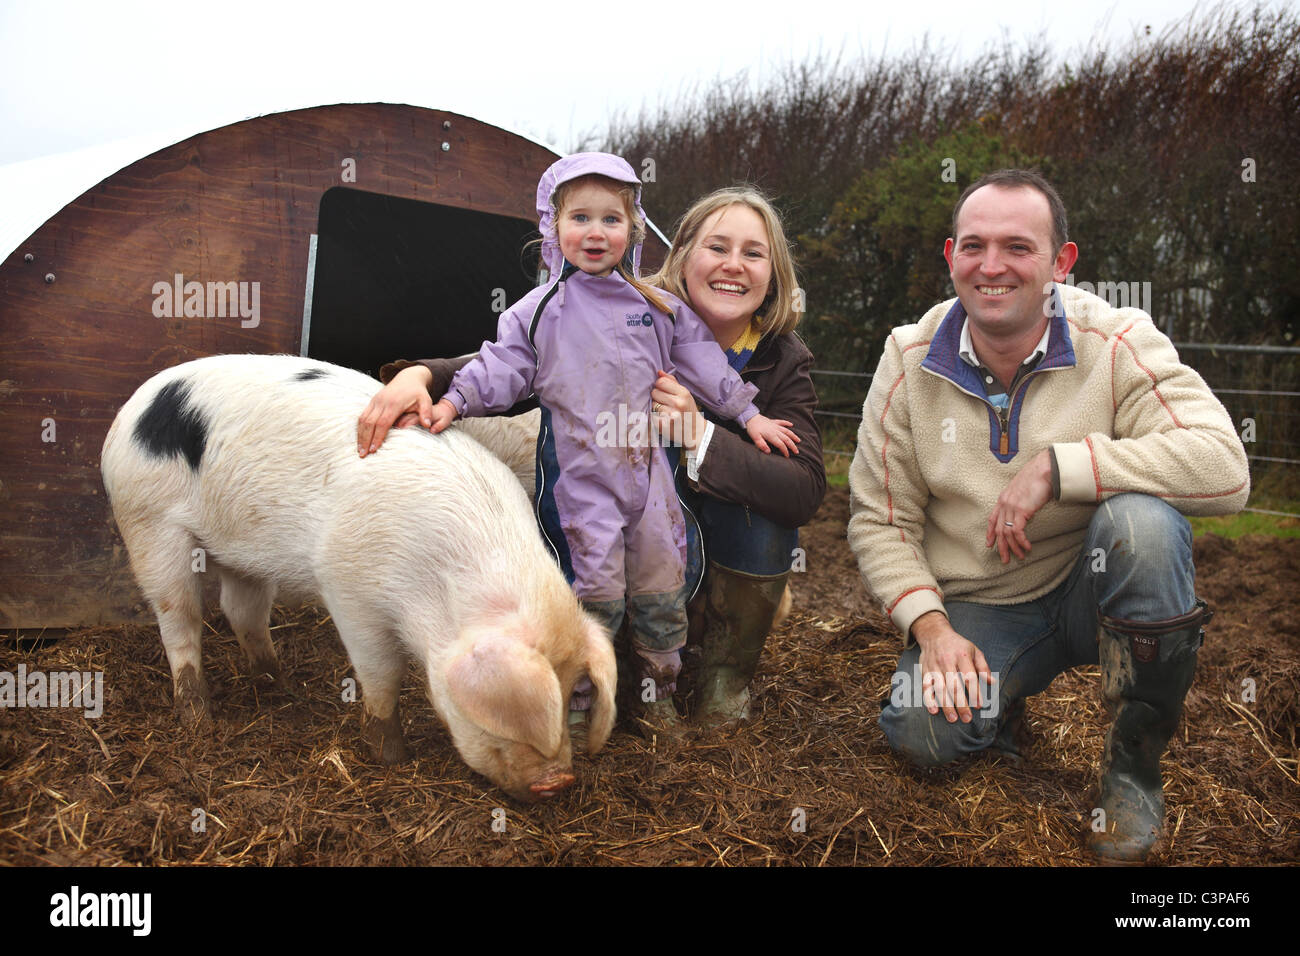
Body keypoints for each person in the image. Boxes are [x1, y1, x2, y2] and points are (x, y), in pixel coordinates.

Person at [847, 168, 1250, 862]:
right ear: (951, 258)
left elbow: (1224, 466)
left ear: (1061, 262)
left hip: (1101, 593)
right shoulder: (908, 356)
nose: (992, 266)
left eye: (1018, 247)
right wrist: (934, 629)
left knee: (1141, 524)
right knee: (925, 737)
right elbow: (881, 519)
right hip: (985, 604)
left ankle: (1134, 768)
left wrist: (1062, 468)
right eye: (973, 246)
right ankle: (998, 704)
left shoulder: (1116, 340)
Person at [358, 184, 826, 729]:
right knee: (591, 560)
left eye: (754, 253)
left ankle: (717, 679)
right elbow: (520, 359)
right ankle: (593, 679)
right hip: (609, 517)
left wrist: (701, 434)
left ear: (774, 273)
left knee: (764, 520)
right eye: (717, 247)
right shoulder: (619, 312)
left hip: (688, 543)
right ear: (682, 255)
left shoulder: (779, 358)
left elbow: (804, 489)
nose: (733, 266)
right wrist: (425, 376)